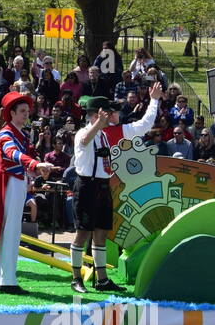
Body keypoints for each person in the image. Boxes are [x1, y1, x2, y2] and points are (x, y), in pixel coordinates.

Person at [70, 84, 163, 294]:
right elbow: (85, 141)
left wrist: (154, 101)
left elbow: (144, 125)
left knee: (101, 233)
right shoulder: (84, 132)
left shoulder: (105, 135)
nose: (111, 115)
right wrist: (98, 124)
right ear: (95, 115)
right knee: (82, 234)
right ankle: (76, 278)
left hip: (103, 186)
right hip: (86, 185)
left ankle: (102, 279)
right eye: (105, 112)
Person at [0, 92, 52, 293]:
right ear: (12, 113)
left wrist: (35, 168)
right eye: (22, 111)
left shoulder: (19, 133)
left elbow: (18, 159)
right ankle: (7, 281)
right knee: (11, 231)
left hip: (16, 182)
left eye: (27, 111)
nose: (26, 115)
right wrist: (35, 163)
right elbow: (11, 153)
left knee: (9, 230)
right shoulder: (6, 133)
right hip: (10, 184)